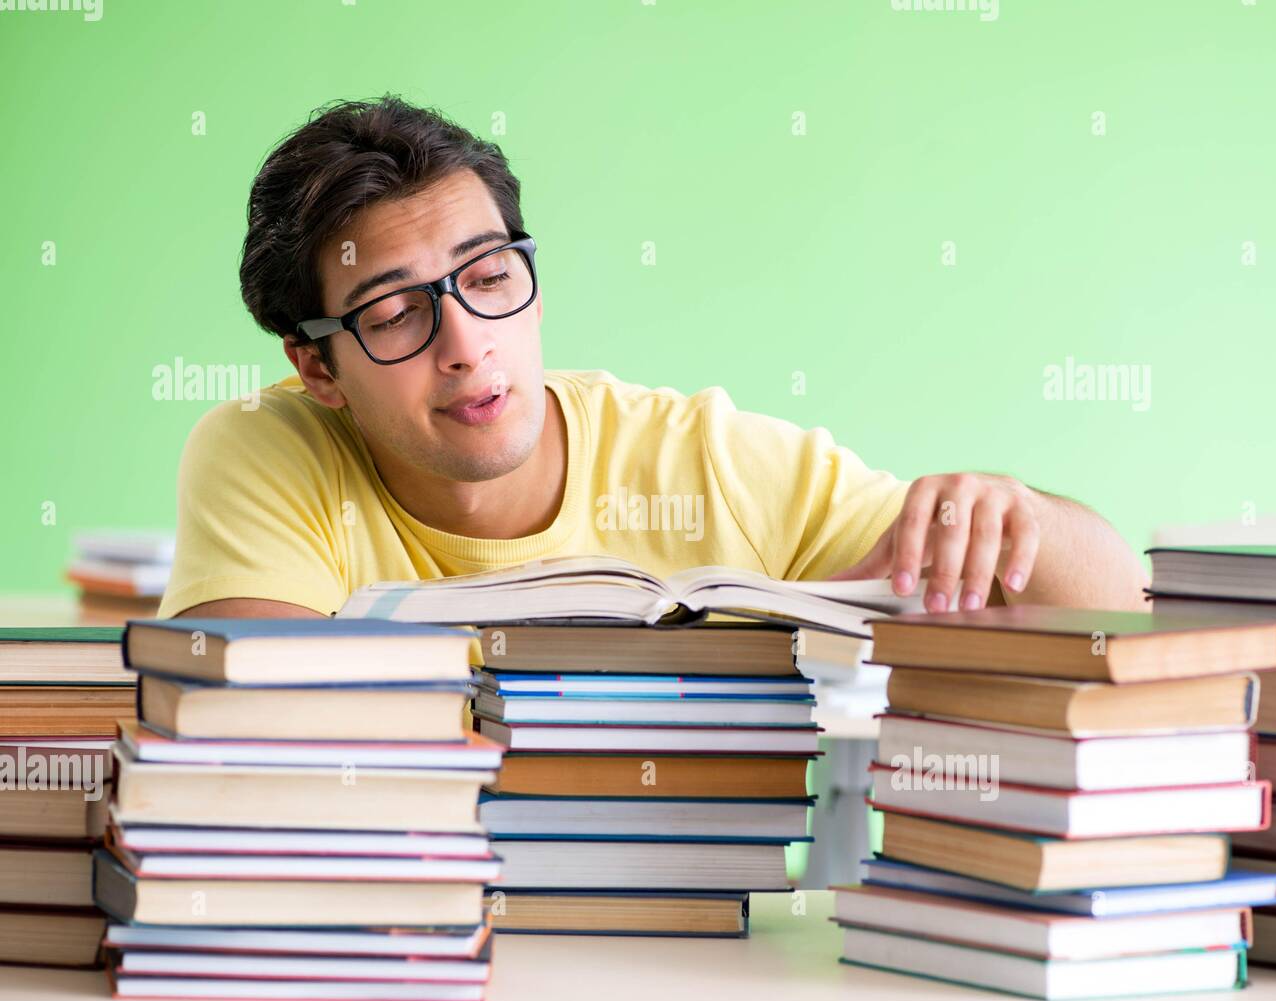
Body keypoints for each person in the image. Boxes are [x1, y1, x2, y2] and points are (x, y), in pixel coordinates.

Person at [159, 97, 1147, 621]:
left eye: (490, 277)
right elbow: (255, 721)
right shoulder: (269, 447)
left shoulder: (703, 460)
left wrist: (1016, 520)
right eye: (393, 313)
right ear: (317, 369)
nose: (467, 346)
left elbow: (1120, 608)